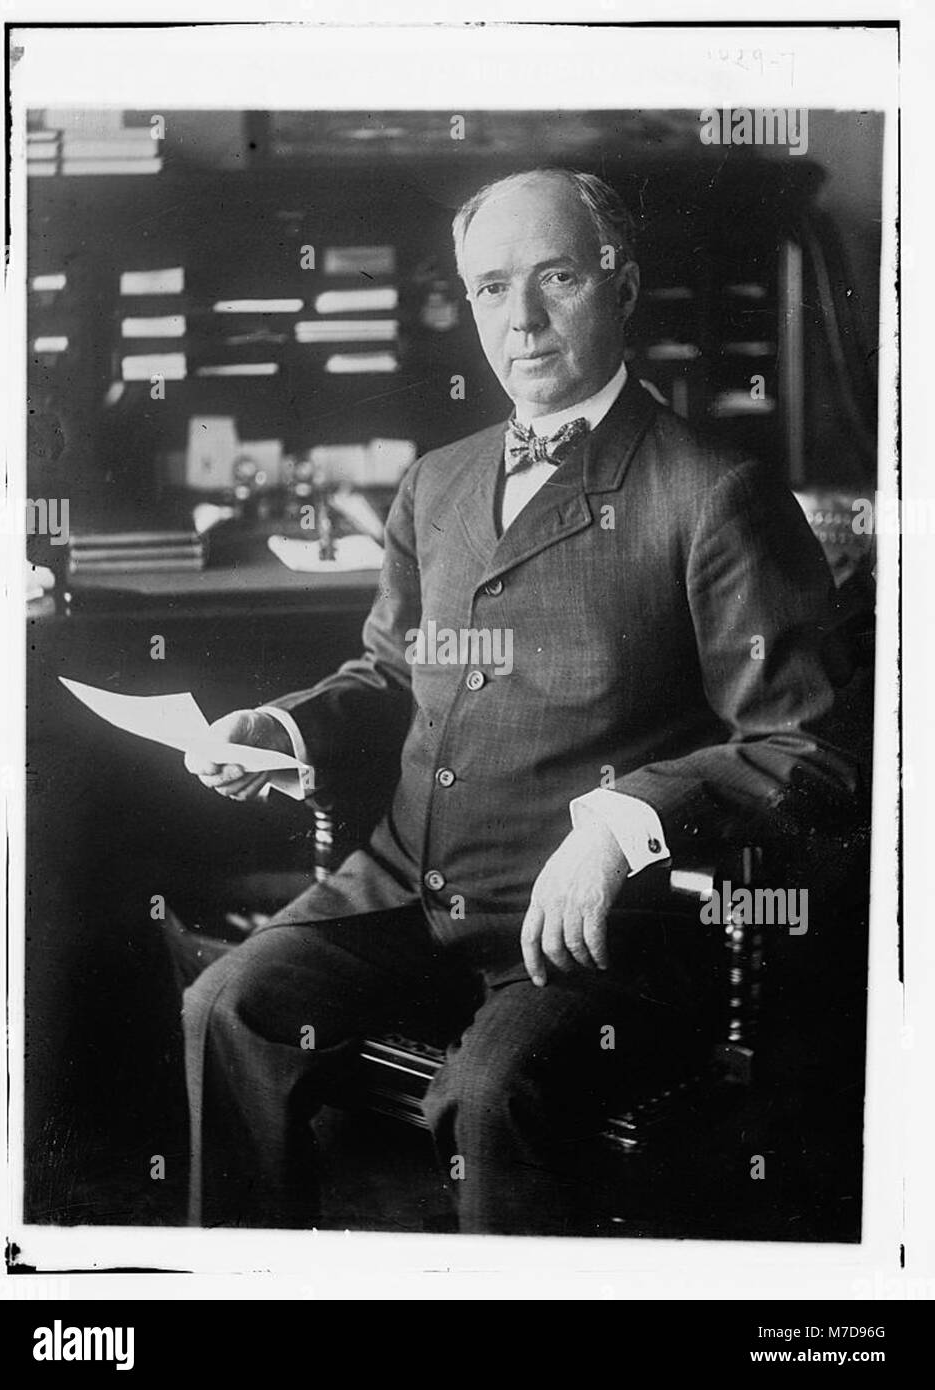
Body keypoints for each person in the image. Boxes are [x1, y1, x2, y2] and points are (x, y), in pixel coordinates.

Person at [182, 168, 859, 1235]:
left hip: (592, 932)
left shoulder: (711, 491)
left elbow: (804, 748)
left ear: (621, 287)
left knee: (490, 1098)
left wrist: (620, 827)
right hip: (406, 884)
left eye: (556, 279)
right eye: (493, 288)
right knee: (229, 1003)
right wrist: (287, 726)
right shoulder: (436, 484)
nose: (524, 318)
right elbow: (396, 673)